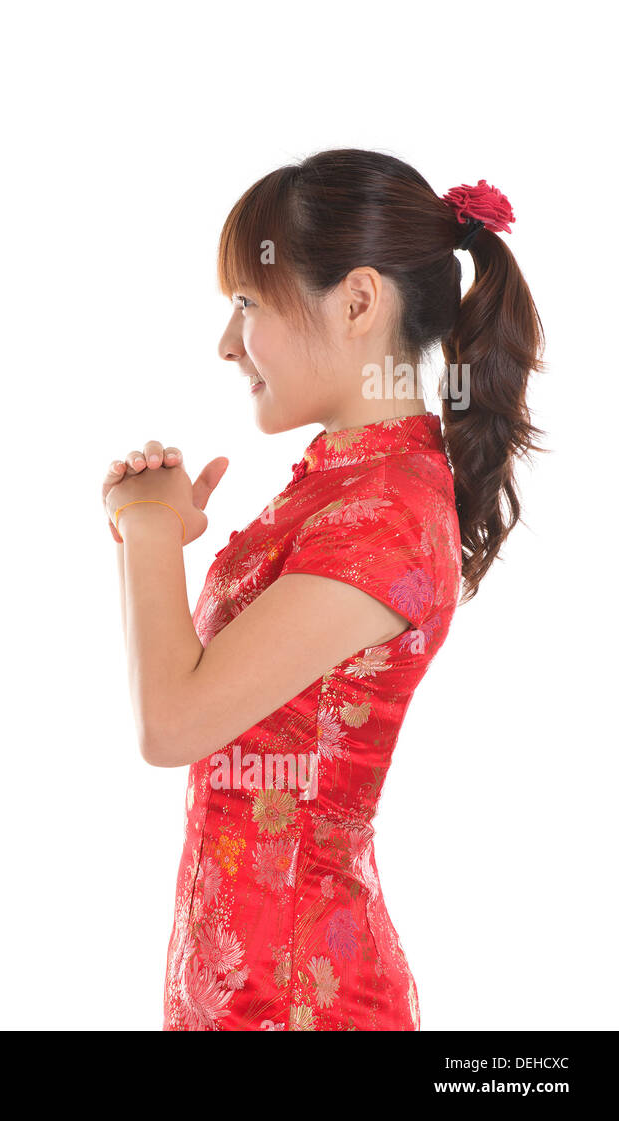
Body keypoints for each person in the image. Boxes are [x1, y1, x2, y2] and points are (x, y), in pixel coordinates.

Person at [102, 149, 543, 1030]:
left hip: (304, 1000)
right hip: (252, 988)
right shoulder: (342, 483)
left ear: (357, 302)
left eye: (247, 303)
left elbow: (174, 724)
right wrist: (156, 531)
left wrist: (148, 534)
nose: (227, 344)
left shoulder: (385, 511)